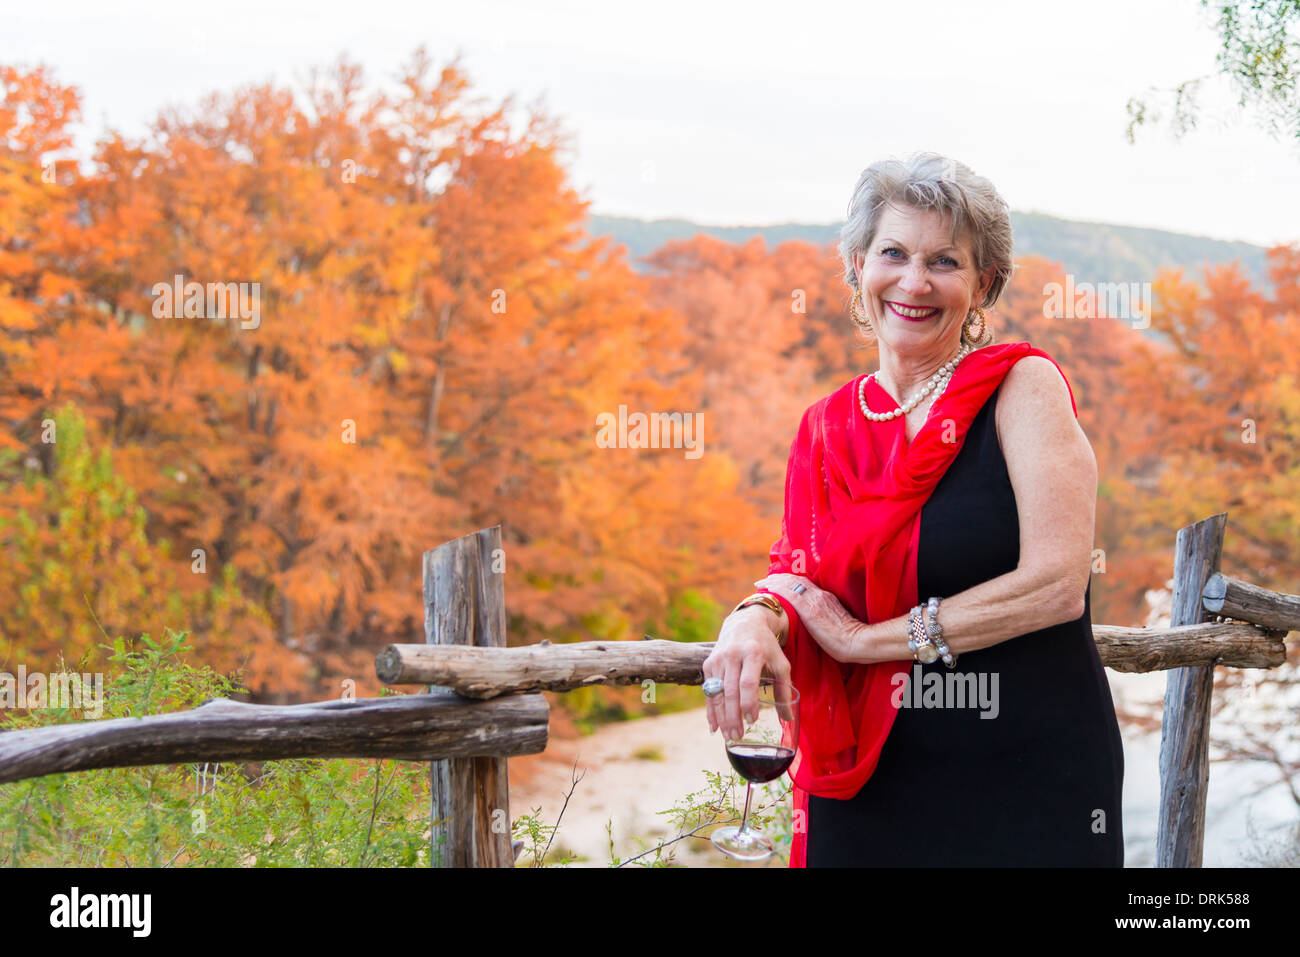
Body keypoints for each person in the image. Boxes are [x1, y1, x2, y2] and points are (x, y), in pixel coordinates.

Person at [701, 152, 1124, 867]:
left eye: (945, 262)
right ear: (859, 265)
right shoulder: (828, 424)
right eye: (893, 253)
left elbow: (1055, 586)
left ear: (983, 283)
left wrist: (869, 641)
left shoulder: (1023, 388)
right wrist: (751, 612)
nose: (914, 281)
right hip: (867, 775)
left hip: (1024, 771)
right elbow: (798, 575)